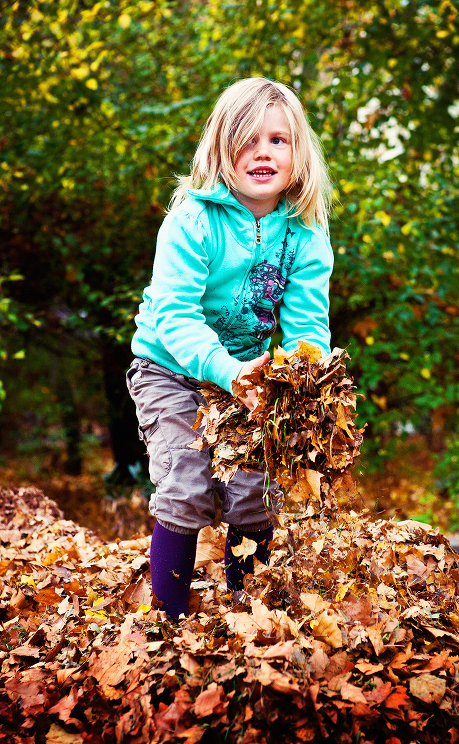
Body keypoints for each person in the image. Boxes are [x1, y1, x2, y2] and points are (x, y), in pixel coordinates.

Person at [126, 77, 334, 619]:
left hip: (249, 378)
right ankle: (167, 621)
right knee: (187, 485)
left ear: (298, 153)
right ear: (221, 148)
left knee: (252, 492)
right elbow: (174, 314)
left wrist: (303, 378)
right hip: (170, 367)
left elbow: (307, 323)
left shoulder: (306, 232)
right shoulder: (193, 221)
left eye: (278, 141)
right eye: (247, 139)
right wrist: (225, 369)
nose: (262, 152)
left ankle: (251, 617)